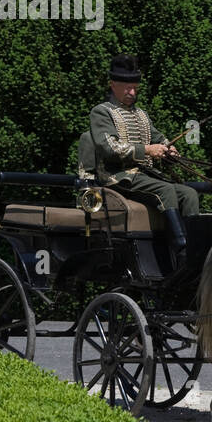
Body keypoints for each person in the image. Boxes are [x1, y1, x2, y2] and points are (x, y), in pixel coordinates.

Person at [86, 54, 198, 265]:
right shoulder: (101, 112)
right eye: (127, 87)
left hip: (144, 176)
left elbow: (157, 138)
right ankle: (183, 252)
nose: (132, 92)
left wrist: (168, 149)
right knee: (166, 190)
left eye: (135, 87)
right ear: (112, 85)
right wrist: (148, 150)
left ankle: (195, 245)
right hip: (117, 176)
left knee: (189, 193)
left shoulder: (141, 115)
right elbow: (109, 147)